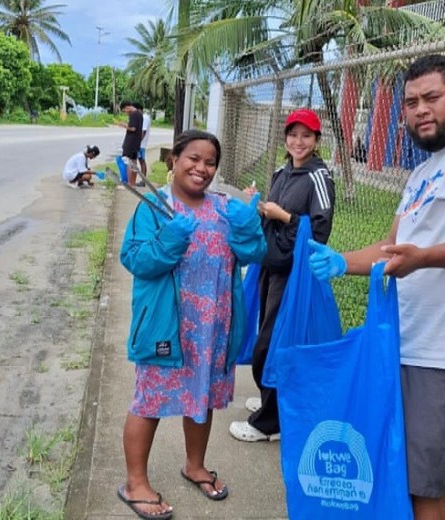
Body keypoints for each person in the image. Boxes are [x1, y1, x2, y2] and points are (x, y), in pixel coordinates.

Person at [308, 54, 445, 520]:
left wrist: (426, 258)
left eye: (432, 97)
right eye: (410, 102)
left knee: (420, 486)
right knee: (399, 475)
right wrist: (339, 262)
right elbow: (394, 247)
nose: (419, 110)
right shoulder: (422, 173)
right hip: (409, 347)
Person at [117, 130, 266, 520]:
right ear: (174, 160)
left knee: (202, 398)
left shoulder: (223, 208)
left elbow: (254, 254)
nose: (202, 168)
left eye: (210, 162)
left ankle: (194, 465)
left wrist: (249, 227)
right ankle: (135, 484)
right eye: (193, 159)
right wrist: (170, 240)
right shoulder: (153, 206)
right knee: (148, 402)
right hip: (168, 329)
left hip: (213, 328)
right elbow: (136, 260)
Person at [228, 108, 336, 443]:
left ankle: (269, 423)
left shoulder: (319, 177)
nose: (298, 141)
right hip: (270, 265)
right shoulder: (281, 171)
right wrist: (259, 204)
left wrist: (285, 216)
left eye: (306, 135)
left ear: (317, 140)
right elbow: (271, 216)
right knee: (265, 334)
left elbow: (319, 231)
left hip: (294, 272)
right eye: (293, 135)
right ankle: (269, 400)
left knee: (273, 345)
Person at [118, 100, 144, 186]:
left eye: (124, 111)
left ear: (126, 107)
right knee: (134, 162)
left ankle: (130, 183)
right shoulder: (139, 114)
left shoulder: (133, 114)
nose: (125, 113)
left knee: (129, 162)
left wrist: (124, 125)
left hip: (130, 142)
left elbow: (133, 128)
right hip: (136, 142)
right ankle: (132, 183)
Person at [135, 102, 152, 182]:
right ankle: (143, 180)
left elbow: (143, 131)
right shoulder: (143, 117)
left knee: (142, 161)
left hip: (141, 144)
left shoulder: (144, 118)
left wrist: (138, 142)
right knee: (141, 160)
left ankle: (143, 180)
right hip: (140, 143)